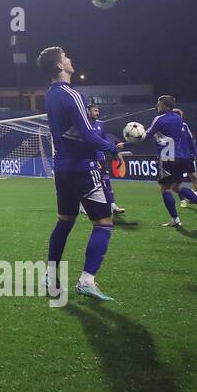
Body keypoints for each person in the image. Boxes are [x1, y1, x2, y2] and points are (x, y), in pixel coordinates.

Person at [38, 47, 124, 301]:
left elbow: (74, 132)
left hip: (62, 168)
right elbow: (87, 134)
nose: (70, 60)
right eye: (65, 58)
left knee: (65, 220)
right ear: (59, 67)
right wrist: (111, 148)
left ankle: (49, 274)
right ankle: (87, 280)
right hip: (82, 168)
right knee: (104, 222)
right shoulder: (72, 94)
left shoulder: (51, 94)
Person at [143, 96, 197, 228]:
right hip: (183, 158)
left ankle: (175, 219)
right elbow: (189, 139)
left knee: (165, 188)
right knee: (177, 187)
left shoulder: (159, 119)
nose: (157, 106)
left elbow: (146, 135)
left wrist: (126, 144)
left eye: (159, 104)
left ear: (165, 106)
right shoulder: (180, 120)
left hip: (167, 157)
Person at [87, 104, 125, 216]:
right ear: (88, 112)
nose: (97, 113)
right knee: (89, 184)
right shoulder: (83, 125)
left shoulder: (101, 124)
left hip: (100, 157)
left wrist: (114, 153)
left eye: (98, 111)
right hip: (88, 158)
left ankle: (113, 205)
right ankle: (84, 206)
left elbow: (104, 141)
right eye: (95, 111)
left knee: (106, 181)